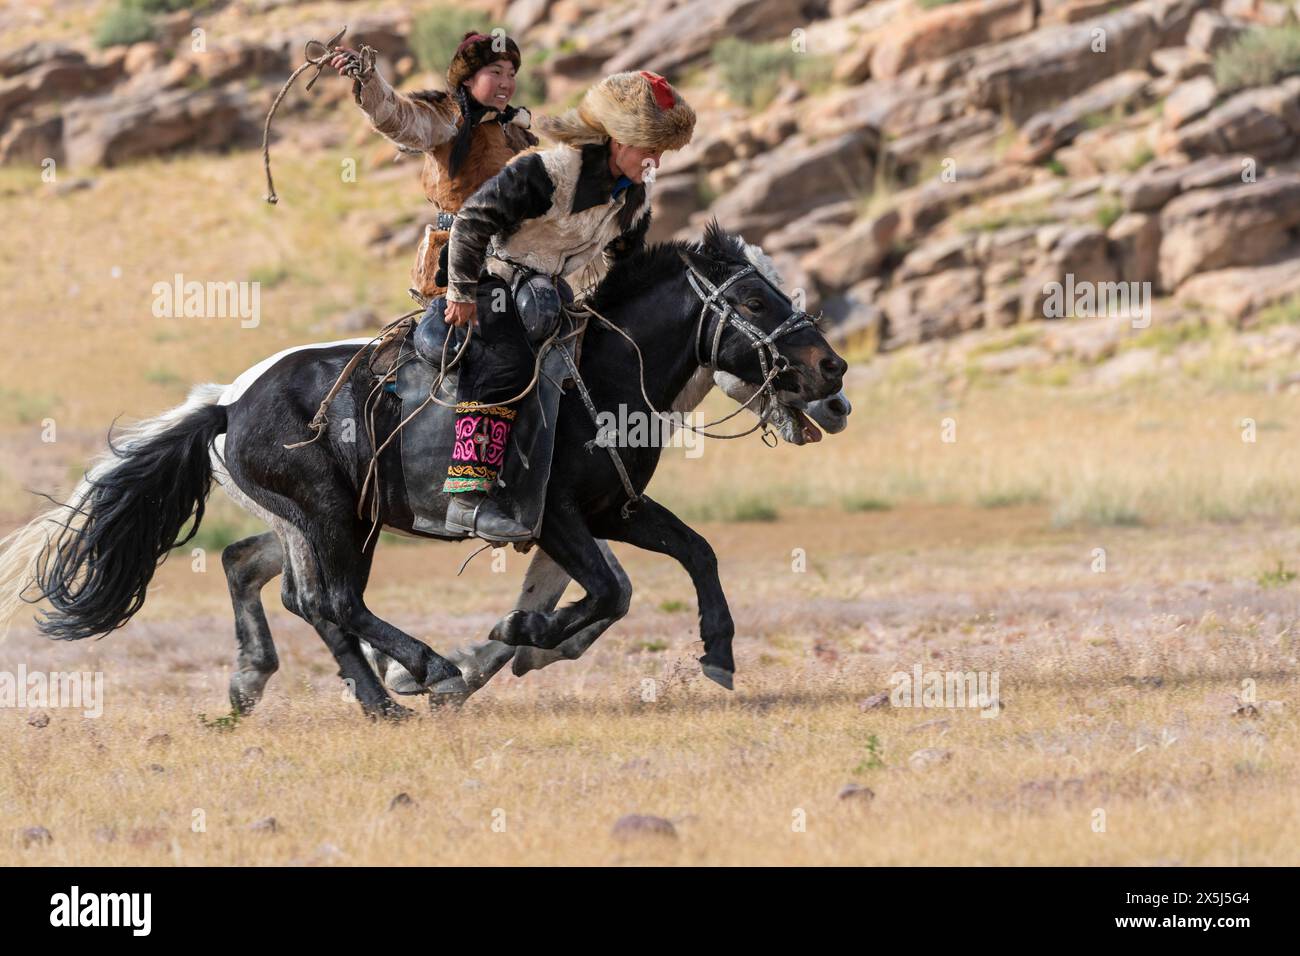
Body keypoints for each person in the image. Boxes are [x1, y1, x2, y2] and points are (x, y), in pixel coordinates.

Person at [438, 70, 696, 542]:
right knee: (508, 364)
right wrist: (460, 292)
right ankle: (466, 497)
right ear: (619, 139)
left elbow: (626, 267)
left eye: (662, 152)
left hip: (550, 291)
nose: (656, 161)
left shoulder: (634, 199)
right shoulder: (548, 170)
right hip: (490, 278)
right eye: (650, 148)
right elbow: (472, 221)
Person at [330, 31, 537, 300]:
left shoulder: (516, 129)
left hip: (519, 261)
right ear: (468, 77)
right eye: (496, 72)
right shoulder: (444, 117)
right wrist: (368, 78)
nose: (506, 83)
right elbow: (398, 118)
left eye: (511, 74)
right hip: (455, 265)